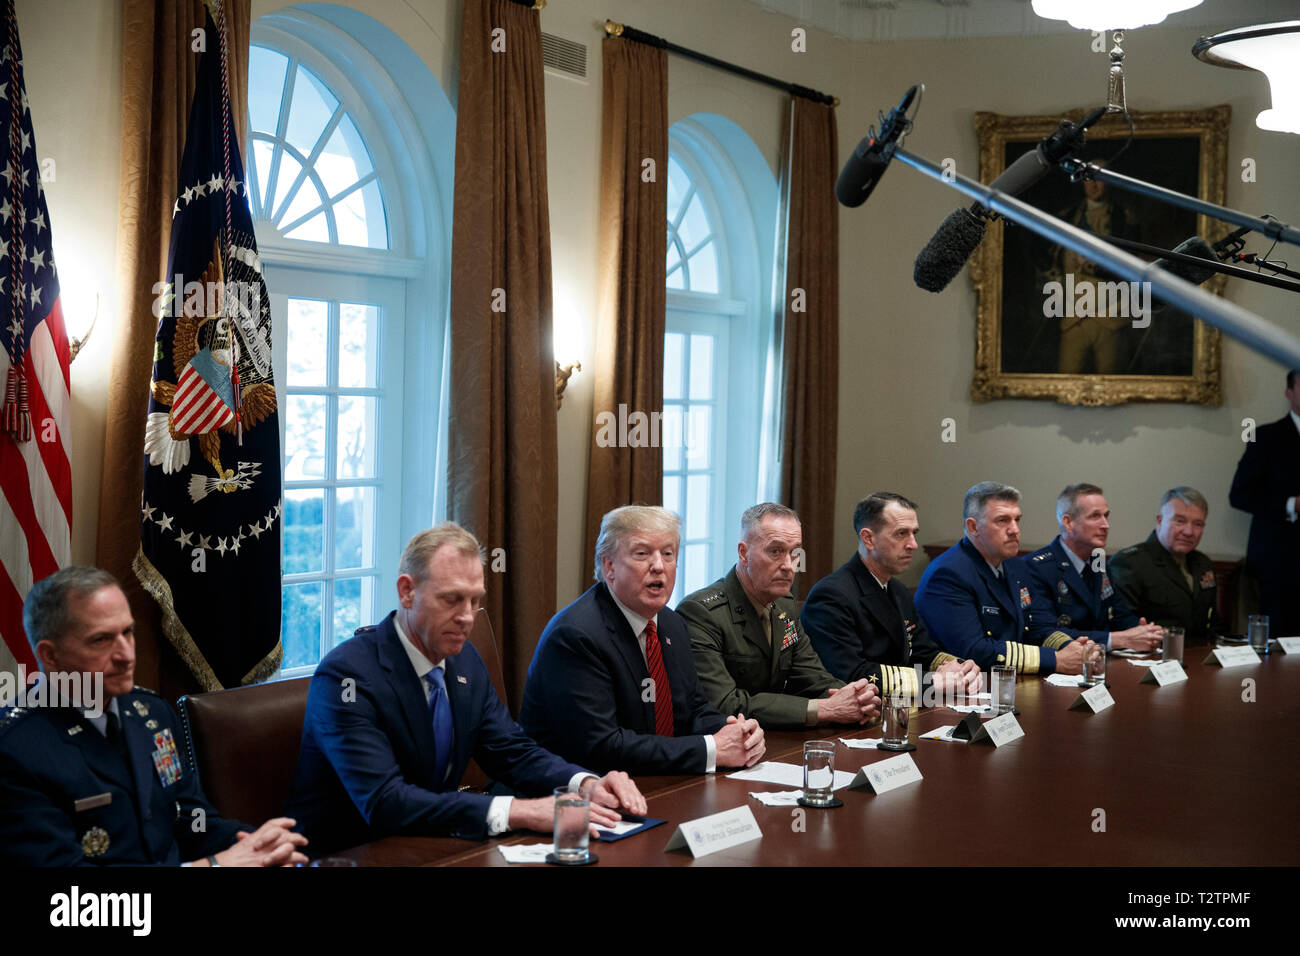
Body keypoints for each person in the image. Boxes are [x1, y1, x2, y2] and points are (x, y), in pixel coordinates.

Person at [285, 523, 646, 855]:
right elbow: (385, 802)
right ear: (407, 592)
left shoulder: (464, 660)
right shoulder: (346, 677)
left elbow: (511, 750)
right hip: (349, 854)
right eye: (451, 599)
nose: (467, 616)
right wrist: (519, 811)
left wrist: (582, 784)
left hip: (434, 845)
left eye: (475, 600)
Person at [0, 567, 308, 866]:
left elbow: (191, 820)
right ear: (50, 656)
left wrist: (257, 845)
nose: (126, 655)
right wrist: (217, 865)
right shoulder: (16, 750)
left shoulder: (152, 714)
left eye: (128, 632)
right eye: (102, 640)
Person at [520, 505, 765, 775]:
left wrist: (732, 731)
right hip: (576, 796)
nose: (659, 566)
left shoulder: (672, 624)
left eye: (668, 554)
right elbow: (603, 746)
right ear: (609, 566)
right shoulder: (575, 636)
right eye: (642, 554)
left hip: (658, 783)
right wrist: (712, 749)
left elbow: (692, 709)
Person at [678, 503, 879, 729]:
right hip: (725, 749)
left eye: (795, 553)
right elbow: (724, 703)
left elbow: (812, 676)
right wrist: (824, 709)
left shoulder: (784, 607)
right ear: (743, 553)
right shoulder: (701, 613)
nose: (788, 566)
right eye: (775, 551)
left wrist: (854, 696)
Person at [802, 492, 983, 695]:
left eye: (914, 533)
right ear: (868, 539)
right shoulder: (832, 596)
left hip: (901, 708)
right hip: (859, 715)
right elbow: (850, 673)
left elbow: (922, 649)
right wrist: (933, 682)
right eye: (901, 533)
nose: (913, 544)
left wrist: (960, 667)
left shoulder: (897, 589)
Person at [915, 482, 1092, 675]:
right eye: (1002, 521)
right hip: (964, 690)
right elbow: (974, 650)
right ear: (973, 527)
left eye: (1017, 519)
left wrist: (1072, 648)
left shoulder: (1015, 565)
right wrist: (1056, 659)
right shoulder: (948, 574)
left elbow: (1038, 624)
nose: (1014, 529)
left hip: (1009, 680)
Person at [1024, 483, 1165, 653]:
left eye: (1106, 516)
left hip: (1101, 664)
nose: (1106, 525)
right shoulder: (1036, 566)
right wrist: (1118, 639)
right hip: (1061, 670)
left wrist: (1145, 632)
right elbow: (1045, 633)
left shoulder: (1098, 560)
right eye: (1095, 516)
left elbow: (1118, 613)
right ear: (1068, 523)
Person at [1230, 369, 1300, 635]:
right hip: (1278, 562)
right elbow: (1240, 494)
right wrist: (1291, 504)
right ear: (1289, 392)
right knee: (1279, 644)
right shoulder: (1265, 437)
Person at [1109, 487, 1225, 645]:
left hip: (1200, 656)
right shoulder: (1130, 563)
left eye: (1198, 524)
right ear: (1160, 520)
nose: (1189, 531)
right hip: (1152, 658)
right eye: (1180, 521)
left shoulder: (1203, 563)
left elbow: (1213, 623)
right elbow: (1121, 623)